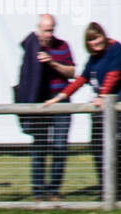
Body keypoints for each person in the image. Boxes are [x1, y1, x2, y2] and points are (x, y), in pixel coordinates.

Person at [45, 22, 121, 199]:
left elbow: (114, 74)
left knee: (119, 149)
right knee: (97, 147)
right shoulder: (94, 57)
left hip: (119, 103)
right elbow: (82, 78)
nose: (95, 43)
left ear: (103, 35)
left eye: (97, 38)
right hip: (100, 108)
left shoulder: (116, 49)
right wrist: (61, 96)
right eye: (91, 41)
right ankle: (106, 190)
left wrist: (103, 95)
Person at [13, 14, 75, 201]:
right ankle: (38, 191)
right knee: (39, 147)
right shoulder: (32, 48)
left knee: (59, 146)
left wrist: (52, 62)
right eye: (45, 30)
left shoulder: (62, 46)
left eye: (51, 30)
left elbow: (72, 72)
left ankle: (53, 190)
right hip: (40, 103)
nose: (48, 34)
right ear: (38, 28)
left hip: (60, 101)